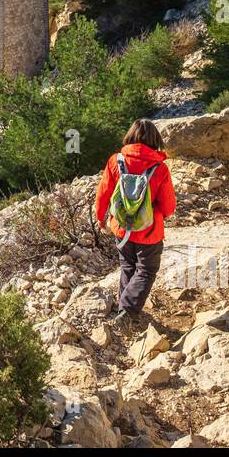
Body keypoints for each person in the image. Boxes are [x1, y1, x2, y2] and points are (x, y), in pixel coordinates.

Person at [93, 118, 176, 327]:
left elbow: (104, 192)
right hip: (149, 230)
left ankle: (124, 308)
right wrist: (162, 214)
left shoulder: (116, 161)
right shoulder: (160, 168)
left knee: (127, 265)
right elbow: (168, 207)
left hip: (122, 228)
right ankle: (127, 312)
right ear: (155, 139)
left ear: (130, 135)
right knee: (146, 270)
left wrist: (101, 217)